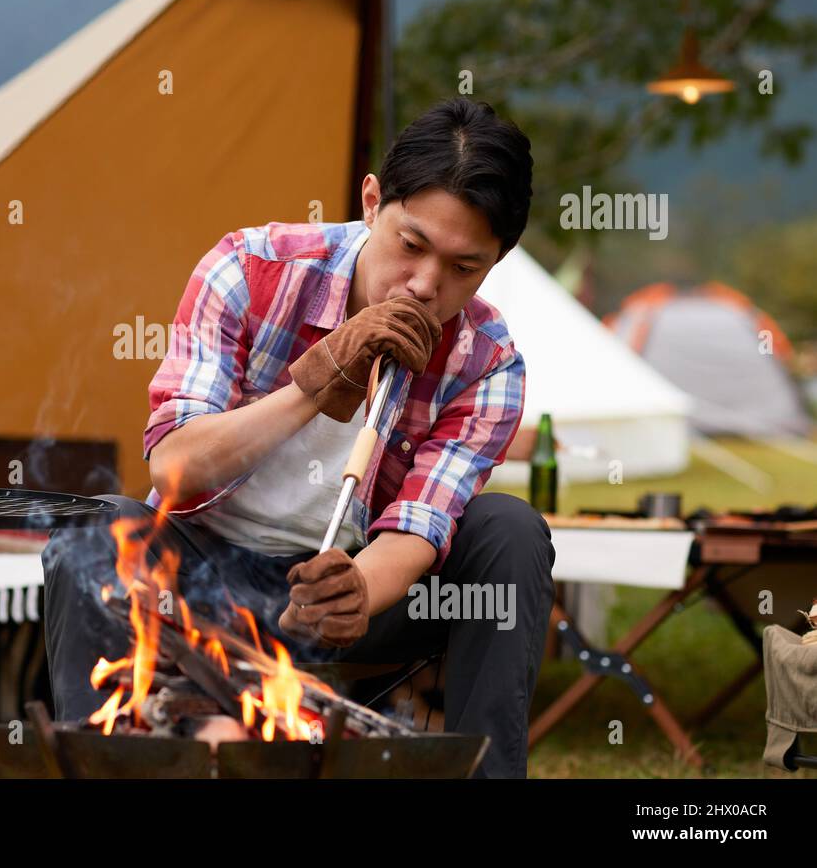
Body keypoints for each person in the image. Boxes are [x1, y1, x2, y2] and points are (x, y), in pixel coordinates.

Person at [43, 97, 556, 778]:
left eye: (465, 268)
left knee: (510, 532)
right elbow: (173, 466)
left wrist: (356, 591)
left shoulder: (487, 362)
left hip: (352, 586)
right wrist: (314, 385)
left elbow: (420, 525)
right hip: (203, 573)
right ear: (372, 202)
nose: (426, 285)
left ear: (497, 262)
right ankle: (117, 769)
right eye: (411, 245)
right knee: (99, 529)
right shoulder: (251, 269)